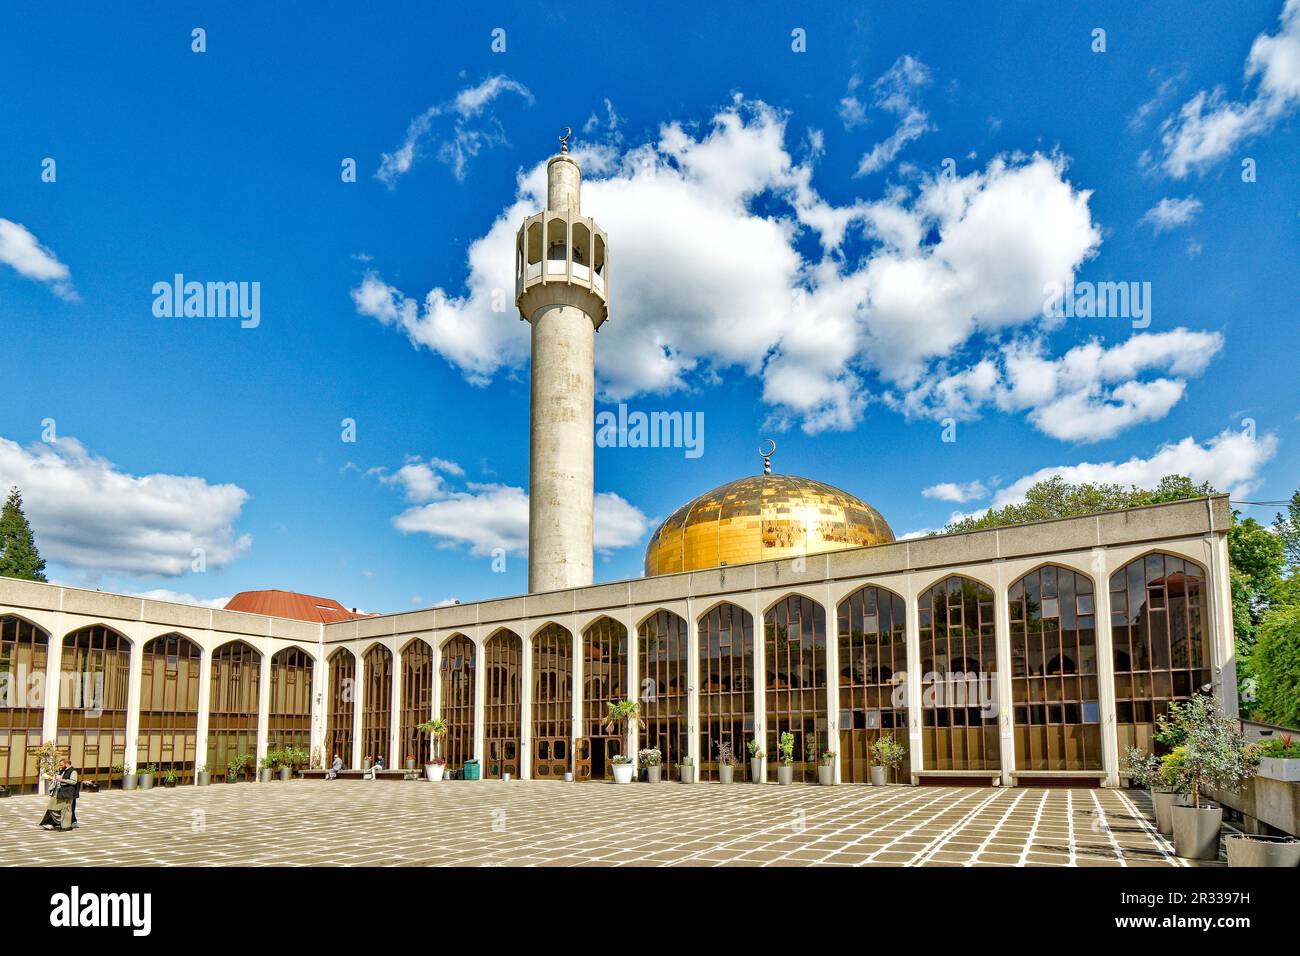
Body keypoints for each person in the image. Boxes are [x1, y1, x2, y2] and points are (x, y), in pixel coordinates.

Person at [39, 758, 79, 832]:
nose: (60, 766)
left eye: (61, 764)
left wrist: (61, 780)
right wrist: (53, 779)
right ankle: (62, 823)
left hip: (68, 793)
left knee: (67, 810)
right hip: (61, 792)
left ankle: (66, 826)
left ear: (67, 763)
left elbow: (73, 782)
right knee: (55, 808)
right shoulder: (63, 770)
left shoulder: (73, 771)